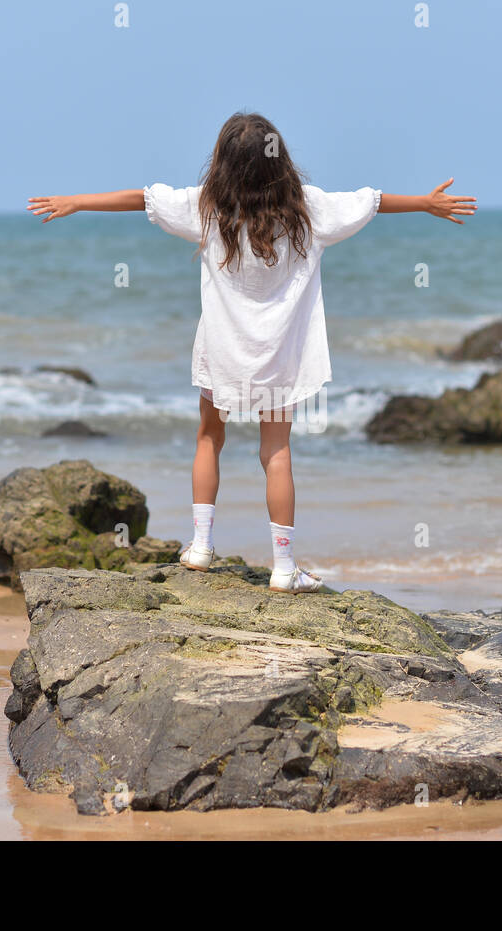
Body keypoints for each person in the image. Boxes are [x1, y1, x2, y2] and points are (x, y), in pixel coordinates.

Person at [28, 112, 475, 593]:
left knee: (208, 438)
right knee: (277, 453)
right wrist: (427, 204)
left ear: (222, 163)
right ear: (279, 161)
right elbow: (374, 200)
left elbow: (142, 198)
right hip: (281, 356)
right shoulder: (309, 212)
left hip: (223, 350)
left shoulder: (206, 210)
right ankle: (284, 570)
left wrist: (76, 201)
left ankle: (200, 546)